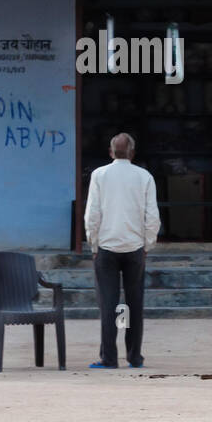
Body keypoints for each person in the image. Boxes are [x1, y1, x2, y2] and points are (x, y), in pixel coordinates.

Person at [84, 133, 159, 369]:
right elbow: (152, 217)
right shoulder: (144, 176)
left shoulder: (99, 175)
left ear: (110, 152)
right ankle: (134, 357)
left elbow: (92, 215)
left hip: (106, 248)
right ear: (132, 153)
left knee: (109, 304)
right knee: (133, 304)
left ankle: (109, 358)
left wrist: (93, 244)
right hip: (135, 249)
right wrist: (147, 245)